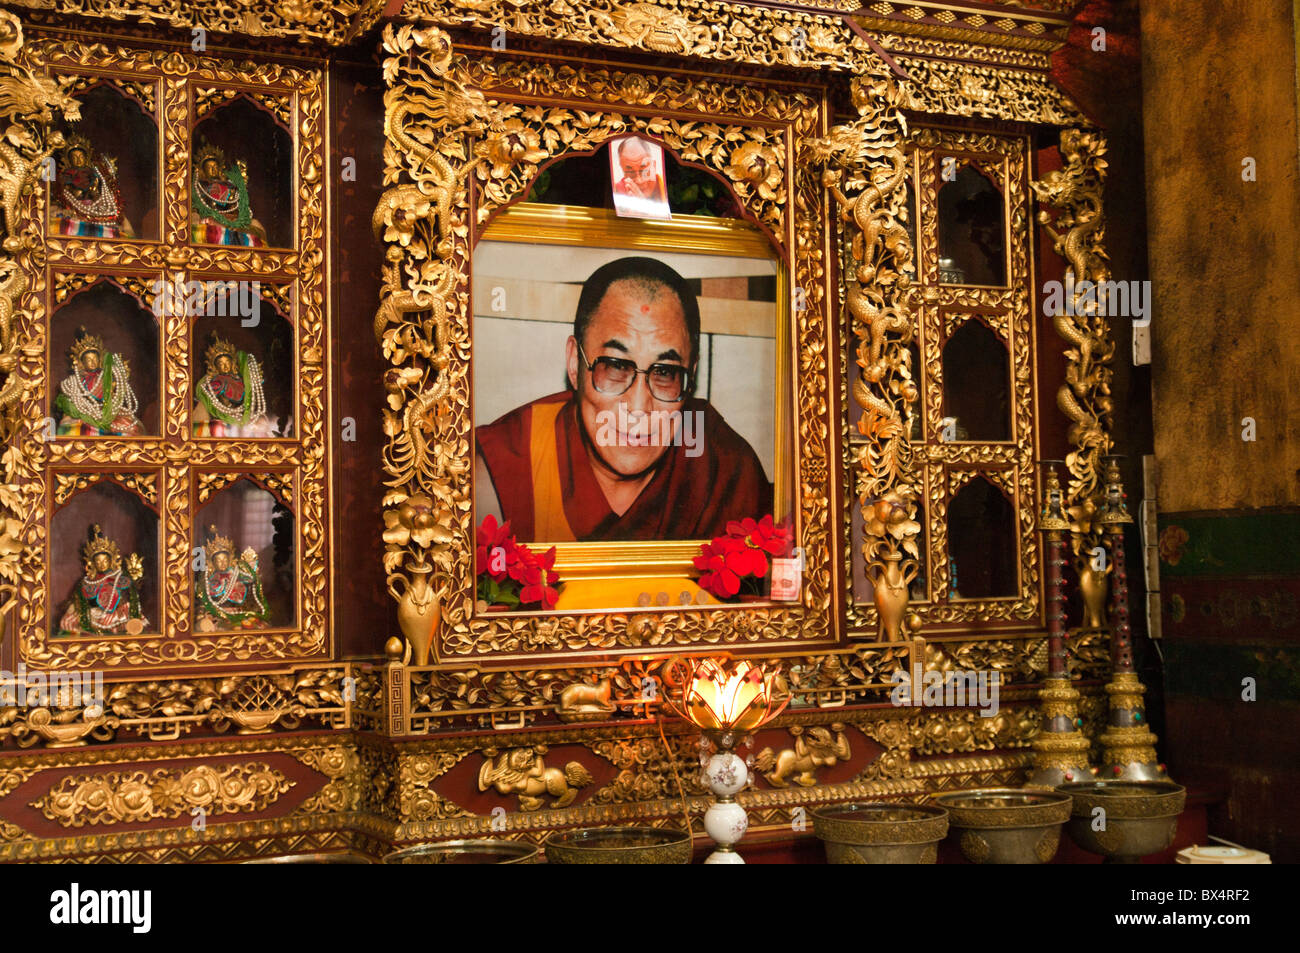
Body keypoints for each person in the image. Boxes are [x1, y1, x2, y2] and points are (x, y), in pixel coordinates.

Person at [475, 256, 771, 541]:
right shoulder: (507, 466)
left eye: (665, 372)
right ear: (575, 364)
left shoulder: (722, 466)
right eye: (615, 366)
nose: (640, 407)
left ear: (690, 376)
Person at [54, 327, 145, 436]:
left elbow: (114, 397)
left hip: (108, 414)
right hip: (84, 415)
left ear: (100, 360)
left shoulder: (107, 376)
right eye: (88, 360)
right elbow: (74, 403)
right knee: (70, 429)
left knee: (131, 428)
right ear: (81, 362)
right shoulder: (74, 382)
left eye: (95, 359)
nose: (92, 363)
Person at [58, 525, 147, 636]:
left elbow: (131, 597)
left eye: (105, 561)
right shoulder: (87, 582)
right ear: (92, 563)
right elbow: (79, 602)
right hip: (94, 616)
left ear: (111, 560)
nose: (102, 564)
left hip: (116, 615)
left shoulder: (120, 577)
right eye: (98, 562)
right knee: (74, 618)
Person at [50, 135, 136, 238]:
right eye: (74, 157)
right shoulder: (66, 176)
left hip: (98, 209)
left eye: (81, 157)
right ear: (69, 160)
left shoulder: (95, 174)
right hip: (74, 209)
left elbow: (99, 192)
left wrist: (94, 190)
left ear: (86, 158)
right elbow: (63, 193)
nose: (78, 160)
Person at [193, 332, 276, 437]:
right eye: (221, 364)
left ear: (232, 363)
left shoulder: (241, 379)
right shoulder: (216, 382)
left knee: (260, 424)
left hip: (244, 421)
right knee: (217, 428)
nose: (225, 366)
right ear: (214, 367)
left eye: (227, 362)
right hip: (223, 420)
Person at [190, 141, 267, 246]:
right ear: (203, 170)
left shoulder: (230, 186)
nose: (213, 170)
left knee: (255, 224)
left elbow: (236, 209)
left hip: (231, 221)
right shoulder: (198, 187)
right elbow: (195, 210)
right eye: (209, 168)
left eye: (215, 167)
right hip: (207, 220)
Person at [196, 525, 270, 630]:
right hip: (216, 617)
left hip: (239, 615)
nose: (223, 563)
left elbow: (251, 583)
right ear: (212, 563)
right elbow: (202, 601)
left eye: (225, 560)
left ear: (230, 560)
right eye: (219, 560)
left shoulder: (237, 575)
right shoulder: (207, 580)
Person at [612, 137, 668, 204]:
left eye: (644, 171)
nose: (639, 181)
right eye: (630, 173)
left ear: (653, 166)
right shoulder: (618, 190)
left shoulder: (665, 184)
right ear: (622, 169)